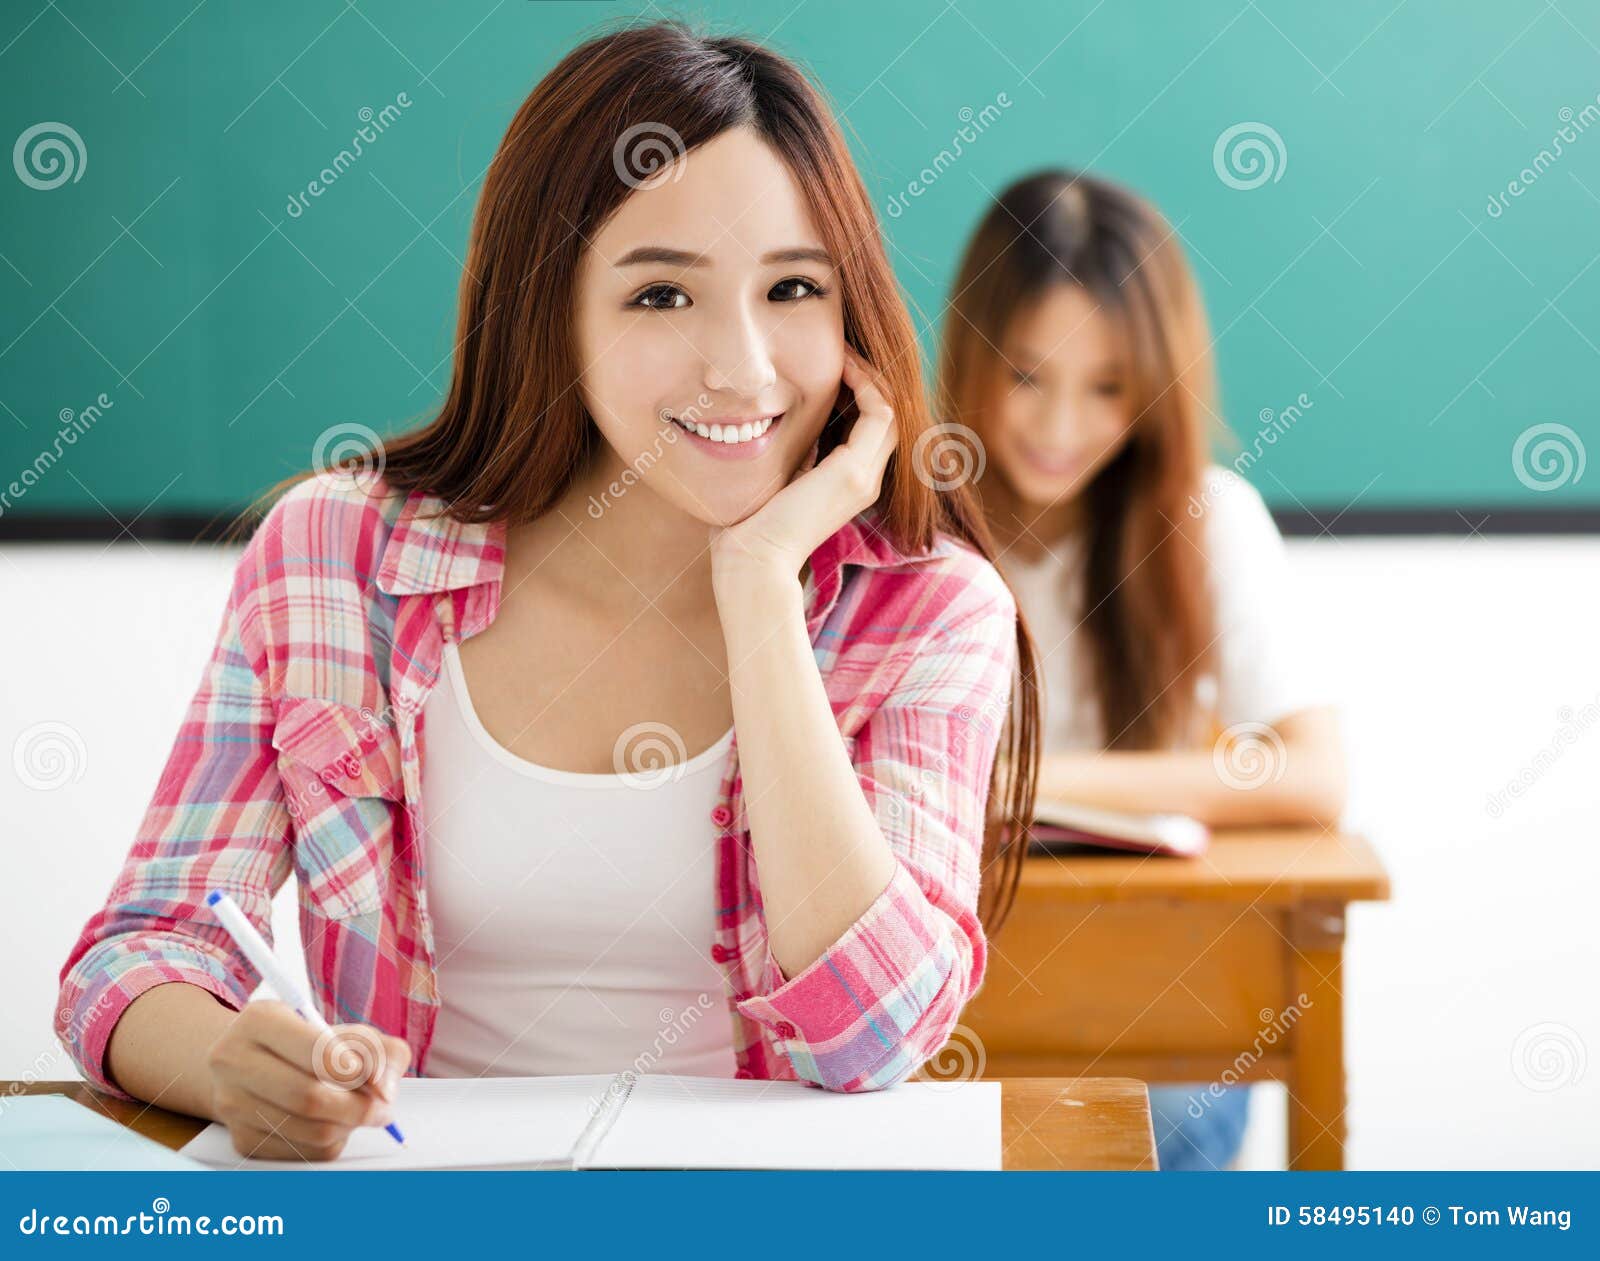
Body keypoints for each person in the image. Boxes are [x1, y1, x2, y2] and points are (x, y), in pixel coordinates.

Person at [55, 20, 1040, 1163]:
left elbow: (875, 1035)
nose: (742, 365)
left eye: (791, 289)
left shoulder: (926, 608)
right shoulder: (335, 561)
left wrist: (761, 586)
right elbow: (137, 955)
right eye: (661, 296)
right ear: (551, 309)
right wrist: (232, 1063)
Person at [937, 168, 1347, 1170]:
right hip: (953, 981)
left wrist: (1027, 786)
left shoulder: (1209, 522)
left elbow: (1313, 776)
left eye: (1108, 386)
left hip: (1152, 988)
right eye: (1026, 374)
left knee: (1157, 1123)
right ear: (972, 350)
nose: (1060, 424)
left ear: (1155, 384)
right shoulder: (909, 519)